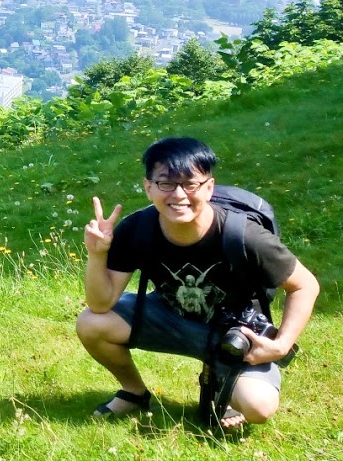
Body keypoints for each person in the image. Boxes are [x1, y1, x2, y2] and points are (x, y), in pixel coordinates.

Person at [76, 137, 320, 428]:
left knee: (259, 407)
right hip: (170, 318)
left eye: (190, 184)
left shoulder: (242, 235)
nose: (178, 195)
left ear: (209, 187)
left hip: (235, 334)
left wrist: (281, 345)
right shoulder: (138, 229)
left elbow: (305, 285)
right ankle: (135, 393)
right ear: (148, 187)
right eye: (166, 183)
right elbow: (100, 303)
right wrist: (96, 255)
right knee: (91, 322)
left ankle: (221, 379)